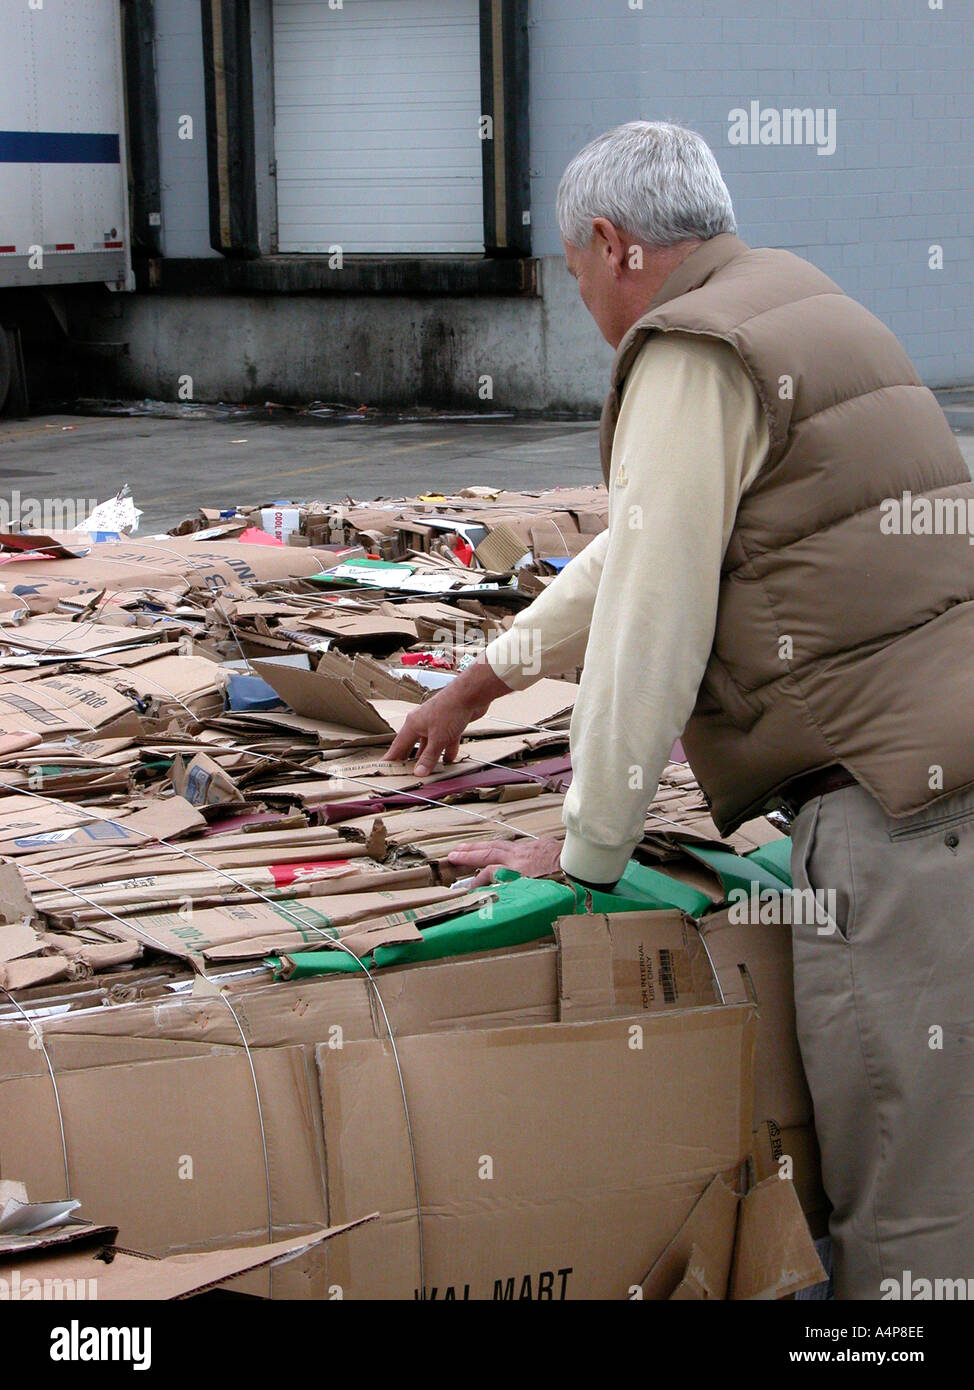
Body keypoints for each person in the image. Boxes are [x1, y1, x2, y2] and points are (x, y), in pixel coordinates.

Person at [383, 121, 974, 1300]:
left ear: (611, 244)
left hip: (893, 815)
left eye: (570, 274)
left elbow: (653, 619)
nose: (583, 305)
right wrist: (480, 676)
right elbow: (637, 552)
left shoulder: (689, 350)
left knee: (905, 1217)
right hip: (942, 774)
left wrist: (585, 857)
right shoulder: (790, 301)